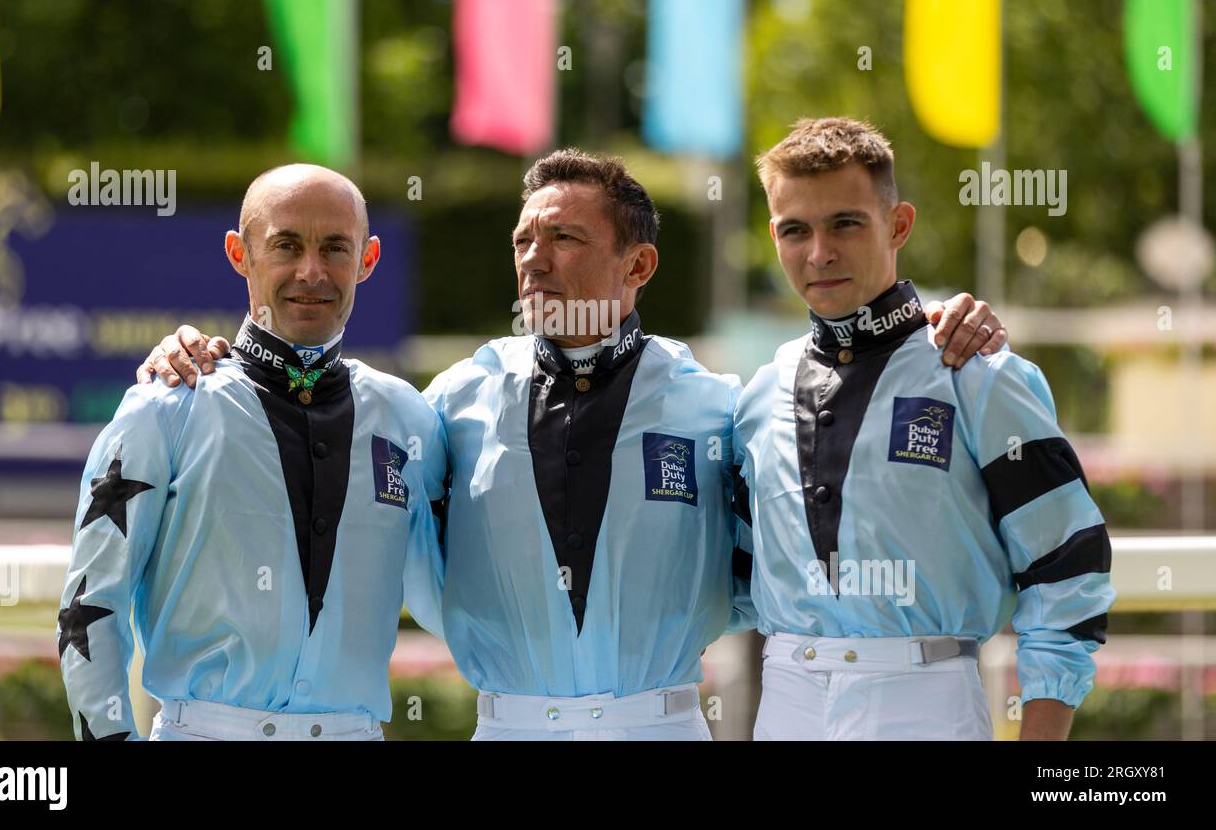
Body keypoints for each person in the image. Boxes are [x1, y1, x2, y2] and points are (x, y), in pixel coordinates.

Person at [139, 148, 1005, 740]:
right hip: (508, 719)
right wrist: (194, 351)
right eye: (524, 240)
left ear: (638, 268)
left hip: (661, 722)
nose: (534, 261)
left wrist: (931, 321)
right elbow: (389, 532)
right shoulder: (450, 403)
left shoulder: (716, 406)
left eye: (564, 239)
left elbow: (776, 560)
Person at [735, 118, 1114, 741]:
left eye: (845, 223)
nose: (819, 253)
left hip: (928, 704)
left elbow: (1068, 568)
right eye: (795, 230)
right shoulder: (757, 393)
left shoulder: (979, 373)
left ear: (899, 225)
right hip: (784, 702)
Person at [59, 164, 445, 741]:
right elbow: (89, 607)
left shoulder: (410, 417)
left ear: (367, 260)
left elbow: (458, 602)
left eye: (335, 248)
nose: (310, 272)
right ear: (239, 253)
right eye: (286, 245)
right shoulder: (165, 407)